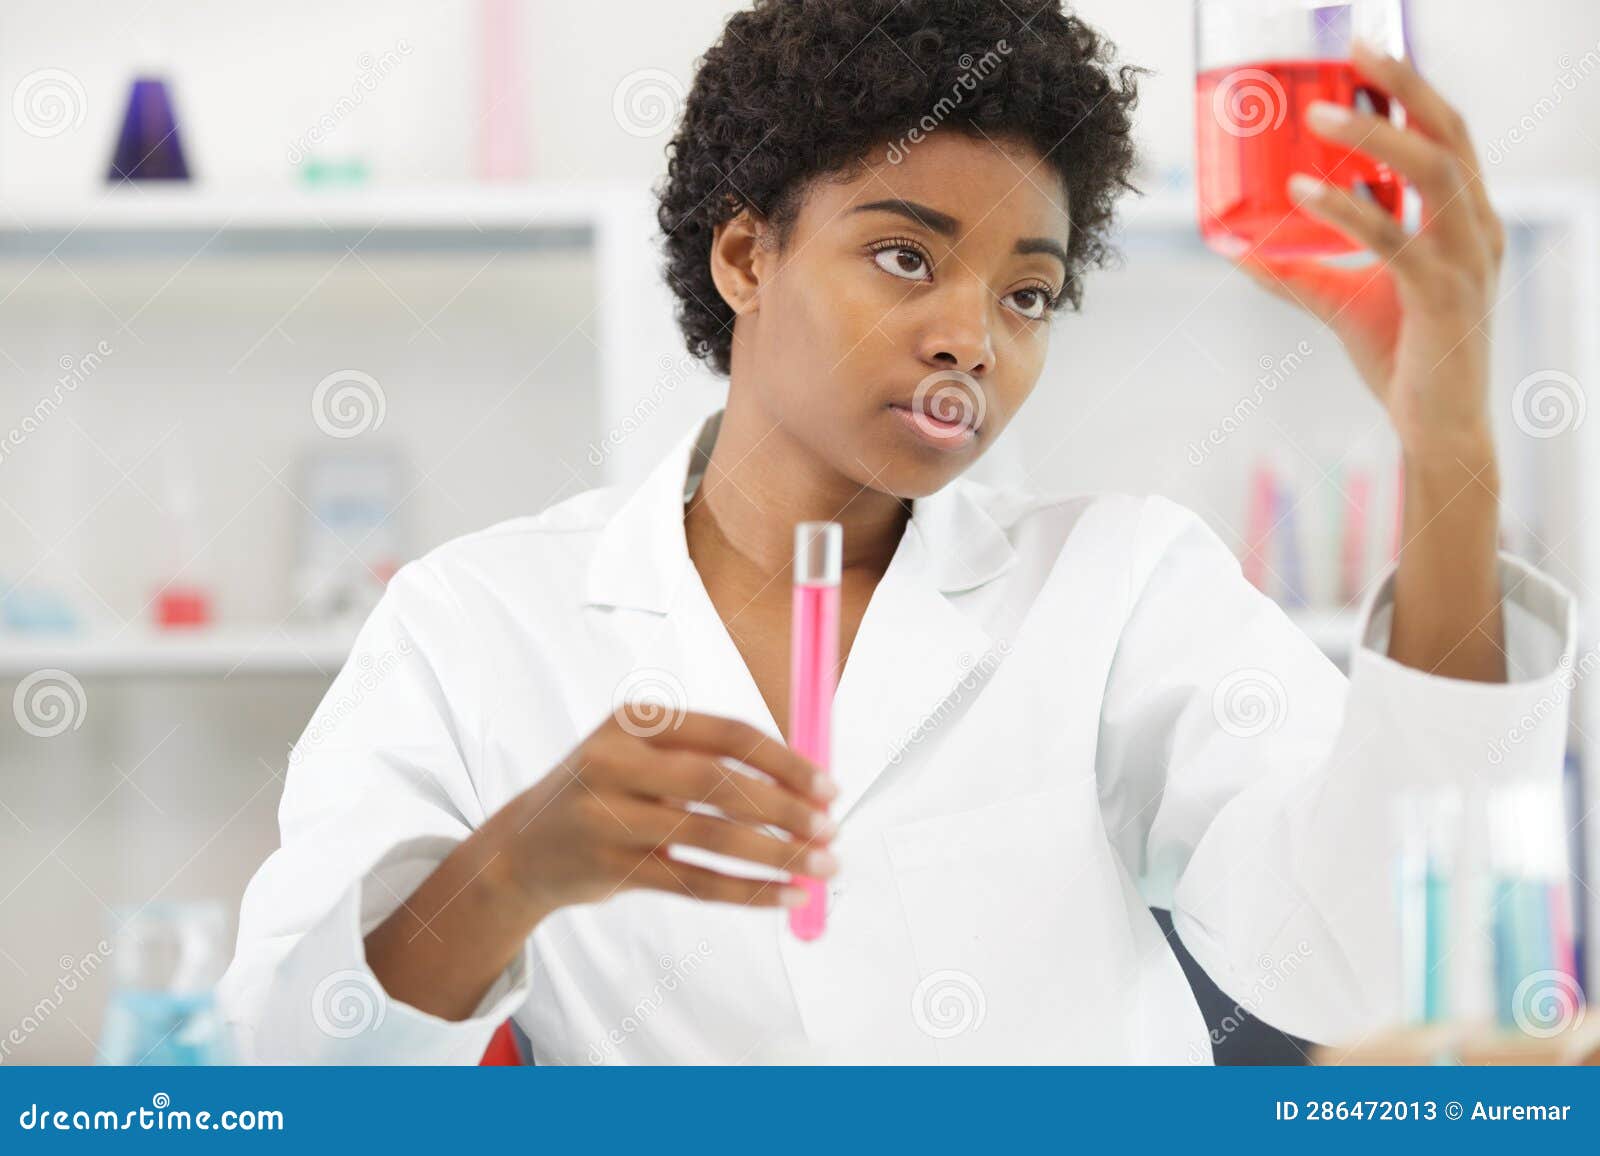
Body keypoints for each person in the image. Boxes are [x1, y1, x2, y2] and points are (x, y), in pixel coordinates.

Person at [220, 0, 1575, 1063]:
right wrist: (509, 874)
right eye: (906, 256)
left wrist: (1447, 439)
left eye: (1028, 294)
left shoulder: (1118, 585)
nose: (969, 338)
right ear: (746, 257)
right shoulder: (476, 623)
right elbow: (291, 1070)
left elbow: (1368, 960)